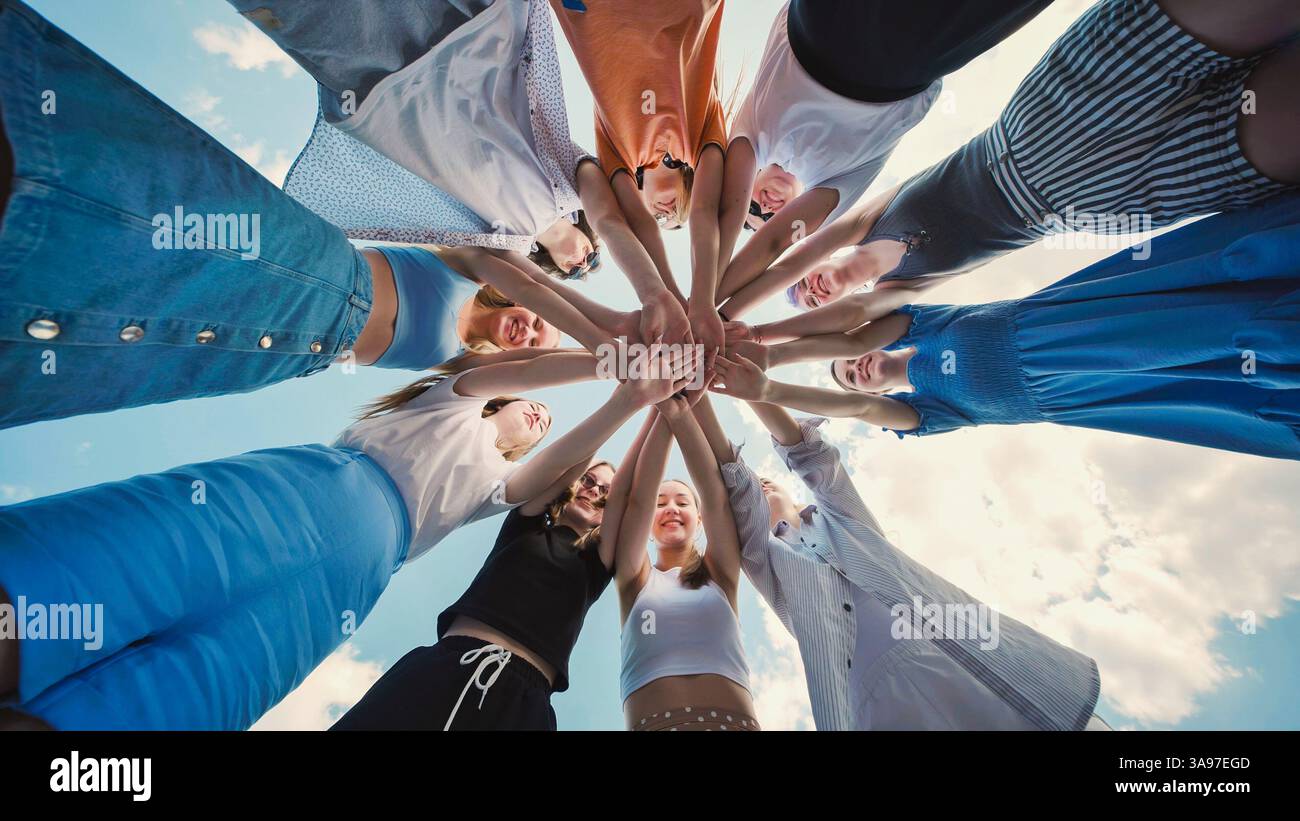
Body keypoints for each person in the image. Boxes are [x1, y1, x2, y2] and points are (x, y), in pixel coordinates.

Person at [0, 0, 634, 431]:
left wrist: (614, 362)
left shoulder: (468, 366)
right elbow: (529, 279)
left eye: (539, 338)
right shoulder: (482, 260)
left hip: (287, 353)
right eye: (543, 322)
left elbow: (537, 369)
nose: (532, 330)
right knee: (155, 194)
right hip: (316, 268)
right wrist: (612, 327)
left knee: (102, 345)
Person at [0, 349, 691, 729]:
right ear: (498, 398)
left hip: (357, 575)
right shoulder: (450, 401)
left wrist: (649, 398)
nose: (536, 417)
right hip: (315, 493)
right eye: (528, 409)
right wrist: (620, 369)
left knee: (184, 699)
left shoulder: (497, 490)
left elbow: (588, 479)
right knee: (104, 574)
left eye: (544, 427)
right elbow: (519, 378)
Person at [719, 0, 1300, 317]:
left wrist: (714, 308)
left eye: (804, 282)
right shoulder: (905, 289)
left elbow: (781, 250)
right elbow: (843, 336)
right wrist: (753, 344)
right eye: (812, 301)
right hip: (1108, 200)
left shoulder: (865, 215)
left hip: (1043, 124)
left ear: (812, 266)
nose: (814, 290)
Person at [712, 192, 1300, 461]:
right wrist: (768, 390)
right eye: (853, 379)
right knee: (1213, 373)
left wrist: (769, 344)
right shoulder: (925, 412)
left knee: (1214, 322)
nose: (856, 370)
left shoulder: (921, 323)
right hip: (1079, 393)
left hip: (1062, 323)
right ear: (873, 391)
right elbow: (862, 413)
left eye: (846, 364)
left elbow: (855, 330)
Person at [242, 0, 688, 345]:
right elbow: (613, 220)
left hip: (390, 93)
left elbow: (531, 287)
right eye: (593, 257)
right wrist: (656, 293)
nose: (581, 261)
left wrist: (607, 327)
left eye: (574, 271)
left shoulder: (504, 243)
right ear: (590, 237)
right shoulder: (574, 189)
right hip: (468, 40)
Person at [714, 398, 1105, 730]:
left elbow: (812, 456)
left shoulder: (845, 522)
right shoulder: (766, 563)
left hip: (974, 654)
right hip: (888, 703)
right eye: (755, 483)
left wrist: (750, 390)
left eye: (768, 478)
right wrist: (692, 398)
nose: (761, 482)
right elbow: (734, 480)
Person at [718, 0, 1053, 305]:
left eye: (750, 205)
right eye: (768, 219)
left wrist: (702, 302)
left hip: (821, 24)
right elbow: (777, 243)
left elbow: (735, 222)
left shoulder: (749, 133)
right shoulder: (836, 188)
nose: (764, 208)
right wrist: (719, 316)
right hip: (908, 59)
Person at [331, 460, 618, 730]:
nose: (592, 489)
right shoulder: (526, 524)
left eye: (605, 491)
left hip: (524, 703)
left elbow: (633, 497)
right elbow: (571, 460)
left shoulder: (599, 562)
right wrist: (625, 406)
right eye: (588, 479)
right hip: (446, 667)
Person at [551, 0, 749, 357]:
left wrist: (671, 300)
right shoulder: (703, 132)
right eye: (676, 216)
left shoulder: (618, 155)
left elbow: (639, 225)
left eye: (662, 218)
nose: (666, 214)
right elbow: (704, 211)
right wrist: (701, 302)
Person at [609, 394, 757, 731]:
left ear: (699, 519)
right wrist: (662, 399)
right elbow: (637, 500)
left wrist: (680, 412)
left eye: (682, 502)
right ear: (649, 522)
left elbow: (715, 495)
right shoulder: (635, 580)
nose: (671, 508)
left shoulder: (719, 575)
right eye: (661, 503)